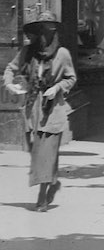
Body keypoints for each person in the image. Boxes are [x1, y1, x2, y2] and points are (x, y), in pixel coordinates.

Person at [6, 18, 78, 210]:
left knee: (46, 152)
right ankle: (53, 182)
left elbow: (71, 78)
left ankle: (42, 196)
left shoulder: (62, 54)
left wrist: (57, 88)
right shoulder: (28, 52)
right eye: (40, 31)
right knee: (36, 152)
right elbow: (10, 69)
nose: (44, 36)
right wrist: (10, 85)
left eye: (49, 31)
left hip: (52, 109)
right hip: (32, 109)